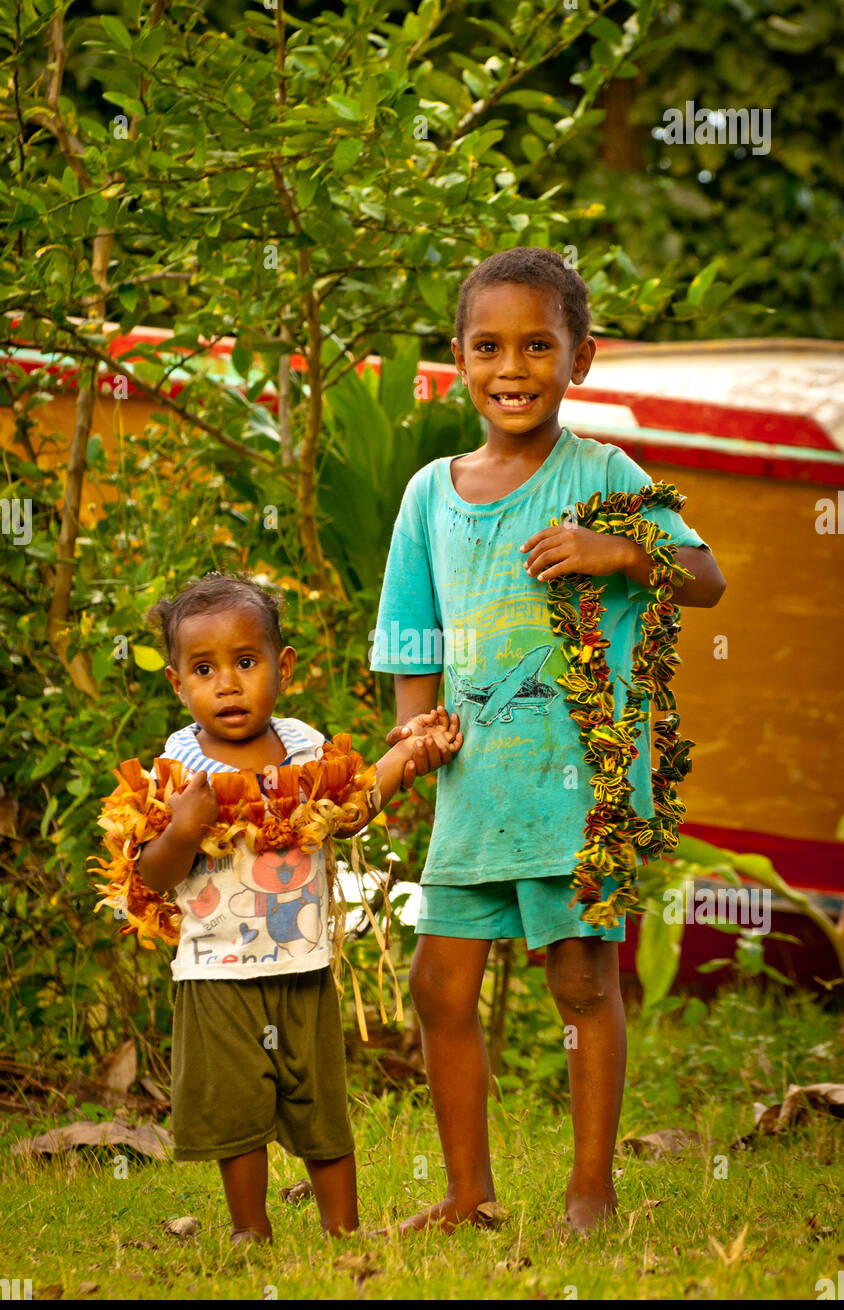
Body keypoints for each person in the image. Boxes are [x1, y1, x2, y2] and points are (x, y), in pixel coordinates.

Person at [370, 247, 726, 1234]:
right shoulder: (428, 496)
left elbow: (704, 578)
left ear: (582, 358)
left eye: (539, 344)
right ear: (457, 358)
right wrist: (411, 731)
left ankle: (589, 1190)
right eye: (489, 346)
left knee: (579, 976)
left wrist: (619, 549)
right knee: (438, 985)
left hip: (579, 793)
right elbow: (410, 632)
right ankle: (466, 1192)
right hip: (473, 786)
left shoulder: (603, 474)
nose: (513, 366)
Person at [135, 570, 462, 1243]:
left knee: (321, 1107)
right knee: (237, 1108)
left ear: (281, 668)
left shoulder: (305, 747)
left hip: (302, 964)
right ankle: (251, 1230)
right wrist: (183, 829)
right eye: (204, 668)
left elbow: (349, 810)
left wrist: (404, 758)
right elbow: (151, 872)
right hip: (217, 973)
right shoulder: (179, 766)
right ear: (177, 683)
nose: (227, 683)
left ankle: (344, 1229)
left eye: (246, 662)